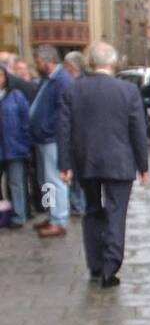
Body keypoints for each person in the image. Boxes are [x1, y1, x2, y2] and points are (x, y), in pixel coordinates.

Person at [57, 41, 148, 287]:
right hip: (120, 163)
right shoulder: (128, 91)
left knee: (92, 211)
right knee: (116, 214)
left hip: (86, 162)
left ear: (91, 63)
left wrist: (65, 165)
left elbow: (63, 130)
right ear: (113, 62)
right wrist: (143, 166)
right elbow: (138, 130)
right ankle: (110, 268)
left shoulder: (73, 90)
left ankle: (95, 265)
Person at [29, 44, 72, 237]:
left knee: (55, 180)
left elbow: (62, 113)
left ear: (48, 61)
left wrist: (45, 128)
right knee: (47, 182)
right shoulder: (49, 80)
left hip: (52, 139)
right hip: (43, 139)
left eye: (38, 62)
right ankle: (51, 214)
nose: (36, 65)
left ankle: (59, 219)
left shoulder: (62, 81)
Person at [0, 65, 32, 229]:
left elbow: (26, 122)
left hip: (15, 148)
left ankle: (19, 215)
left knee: (16, 184)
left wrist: (25, 144)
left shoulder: (16, 96)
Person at [62, 51, 88, 216]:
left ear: (71, 68)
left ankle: (79, 205)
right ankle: (80, 205)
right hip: (83, 138)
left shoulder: (73, 86)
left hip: (77, 137)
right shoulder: (85, 83)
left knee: (77, 177)